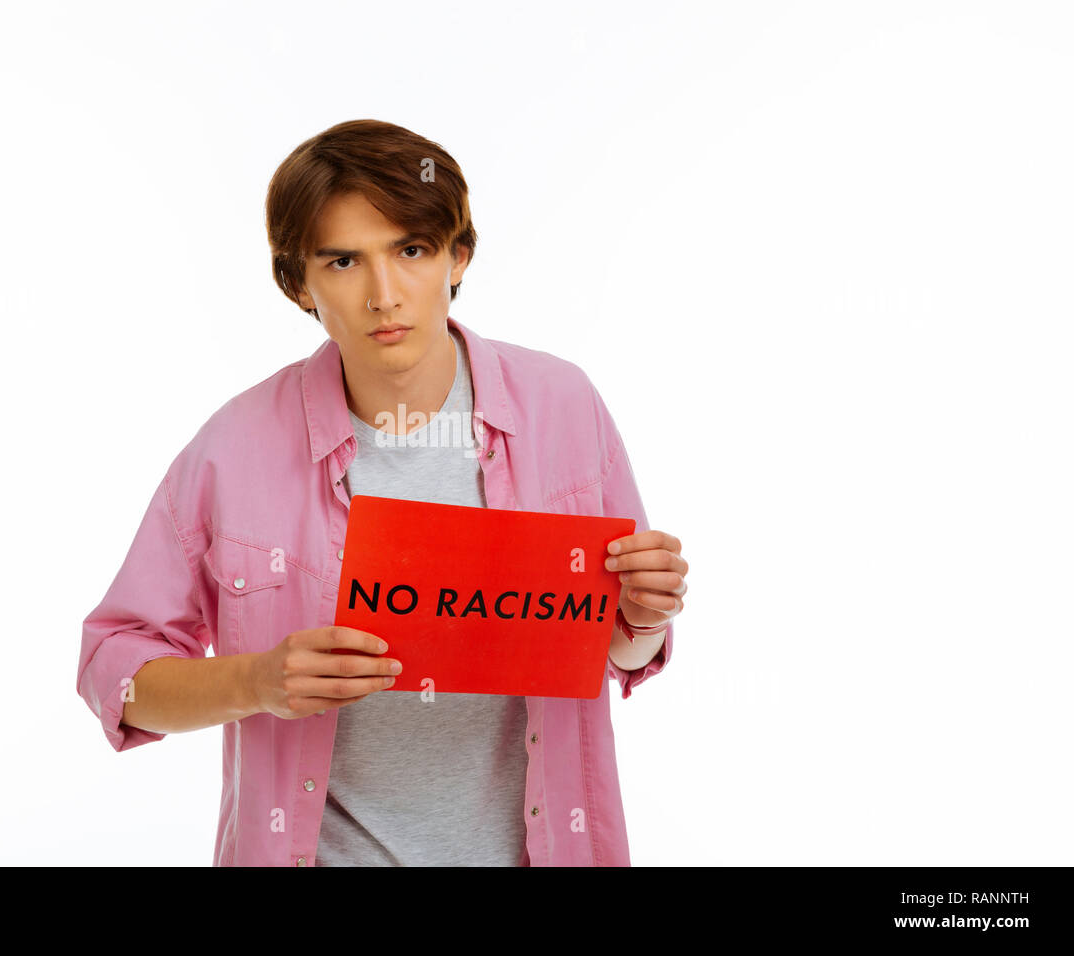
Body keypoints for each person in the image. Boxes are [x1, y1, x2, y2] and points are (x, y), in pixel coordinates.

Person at [76, 119, 688, 866]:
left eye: (411, 250)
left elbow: (624, 650)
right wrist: (256, 680)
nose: (384, 294)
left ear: (457, 256)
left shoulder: (563, 405)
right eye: (342, 261)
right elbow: (114, 670)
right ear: (297, 281)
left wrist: (643, 617)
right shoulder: (233, 449)